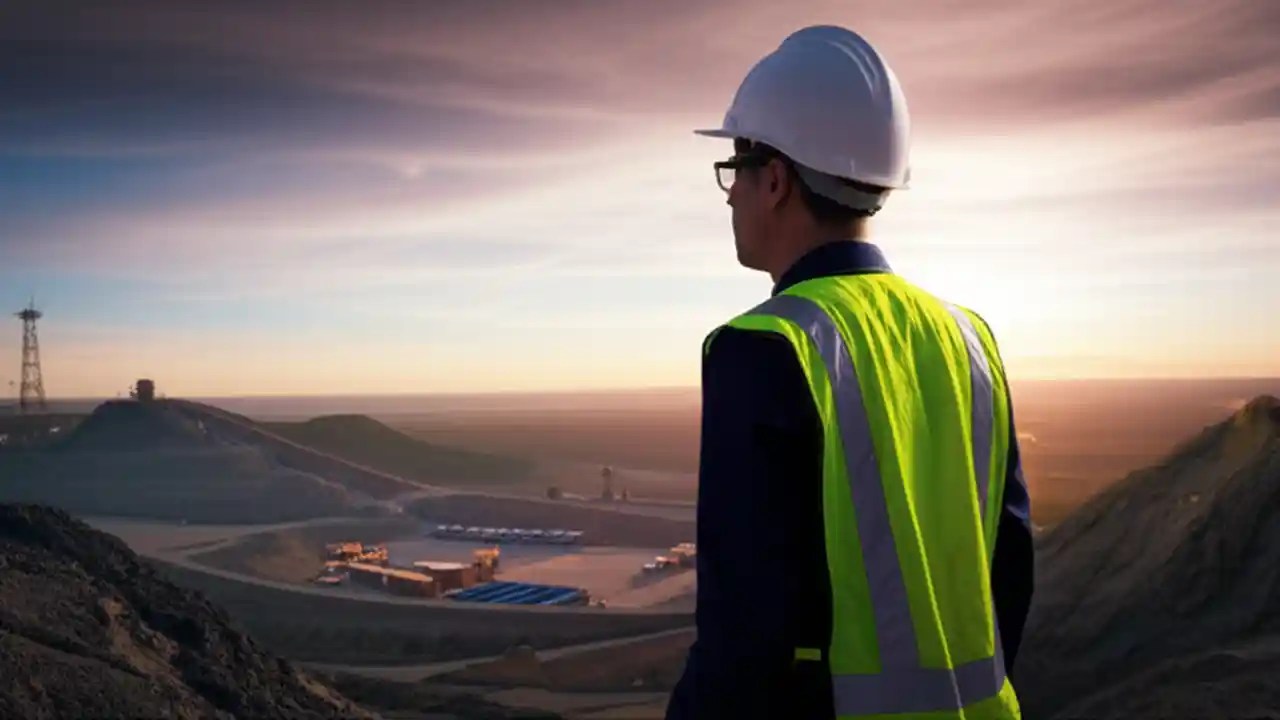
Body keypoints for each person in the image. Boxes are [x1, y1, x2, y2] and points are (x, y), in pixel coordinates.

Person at [666, 25, 1033, 720]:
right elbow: (1007, 577)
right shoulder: (970, 339)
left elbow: (744, 636)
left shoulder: (766, 347)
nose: (728, 196)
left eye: (734, 170)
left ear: (774, 179)